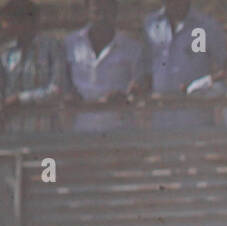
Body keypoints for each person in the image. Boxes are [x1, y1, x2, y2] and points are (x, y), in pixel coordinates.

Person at [65, 0, 146, 132]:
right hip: (80, 130)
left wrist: (125, 96)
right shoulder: (70, 44)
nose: (102, 18)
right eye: (97, 12)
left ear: (115, 11)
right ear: (87, 10)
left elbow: (138, 89)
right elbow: (65, 84)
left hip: (119, 131)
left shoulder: (132, 48)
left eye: (107, 12)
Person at [0, 0, 66, 132]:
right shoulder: (6, 53)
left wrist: (20, 99)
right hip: (12, 133)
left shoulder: (51, 48)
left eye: (9, 21)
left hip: (45, 133)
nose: (5, 26)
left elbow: (56, 90)